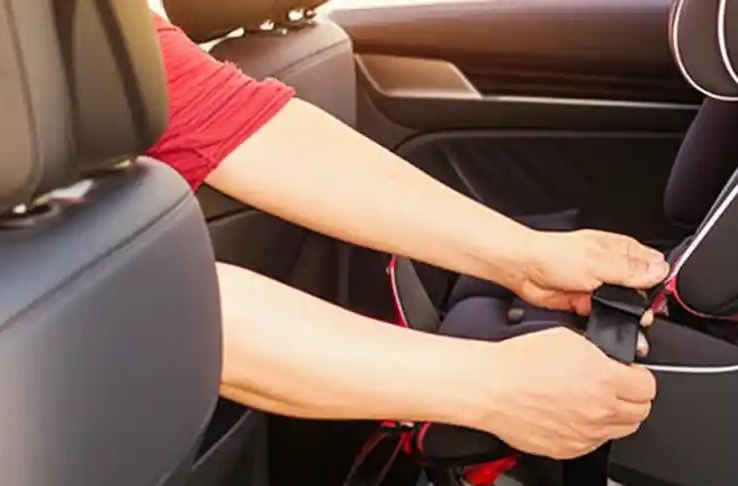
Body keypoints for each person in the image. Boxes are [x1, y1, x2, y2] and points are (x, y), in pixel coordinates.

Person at [147, 16, 666, 460]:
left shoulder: (95, 35)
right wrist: (493, 388)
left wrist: (527, 258)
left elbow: (227, 121)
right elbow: (153, 303)